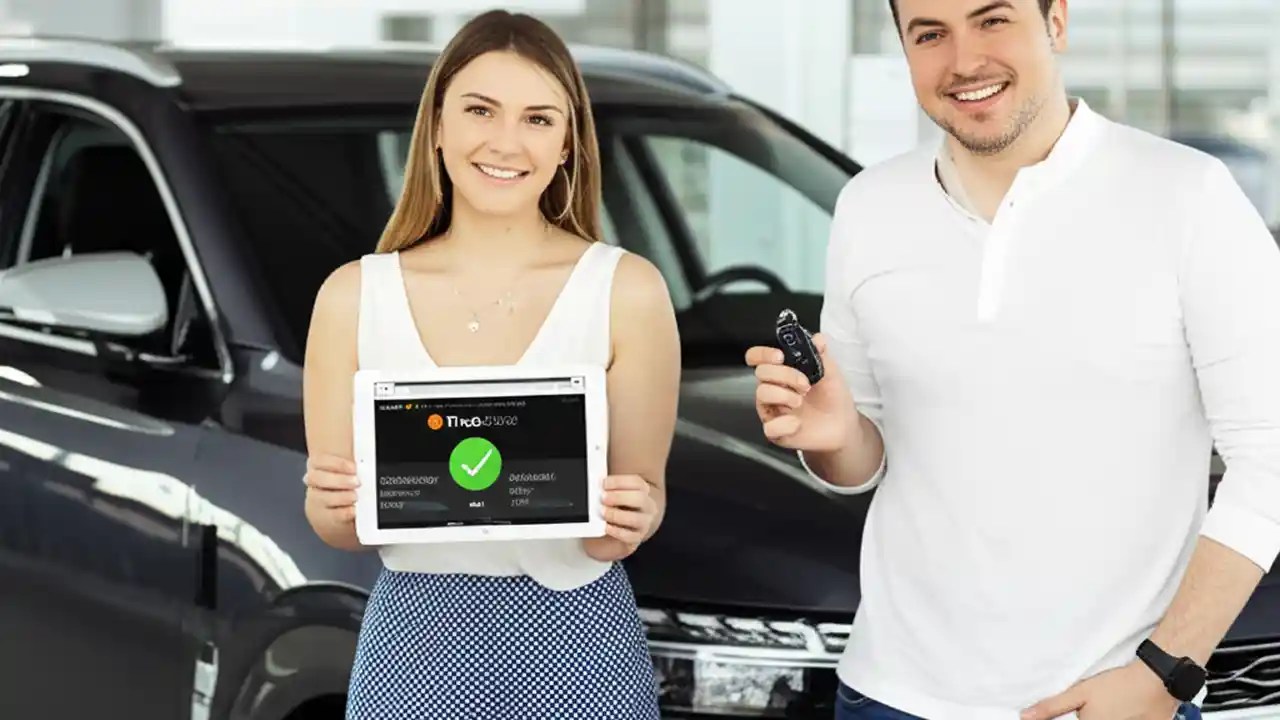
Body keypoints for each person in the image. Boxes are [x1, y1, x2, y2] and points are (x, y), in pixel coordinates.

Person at [746, 0, 1280, 719]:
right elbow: (866, 456)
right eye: (930, 34)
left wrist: (1165, 673)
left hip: (1106, 698)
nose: (963, 60)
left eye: (992, 19)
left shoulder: (1187, 195)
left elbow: (1270, 455)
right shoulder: (870, 206)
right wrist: (836, 436)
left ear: (1056, 21)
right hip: (888, 694)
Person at [300, 9, 680, 719]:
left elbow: (630, 511)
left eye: (538, 119)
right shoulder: (353, 298)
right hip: (415, 648)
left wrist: (634, 515)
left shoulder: (627, 291)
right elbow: (341, 525)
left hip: (580, 647)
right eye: (480, 110)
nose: (507, 142)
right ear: (437, 124)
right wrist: (328, 507)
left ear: (569, 143)